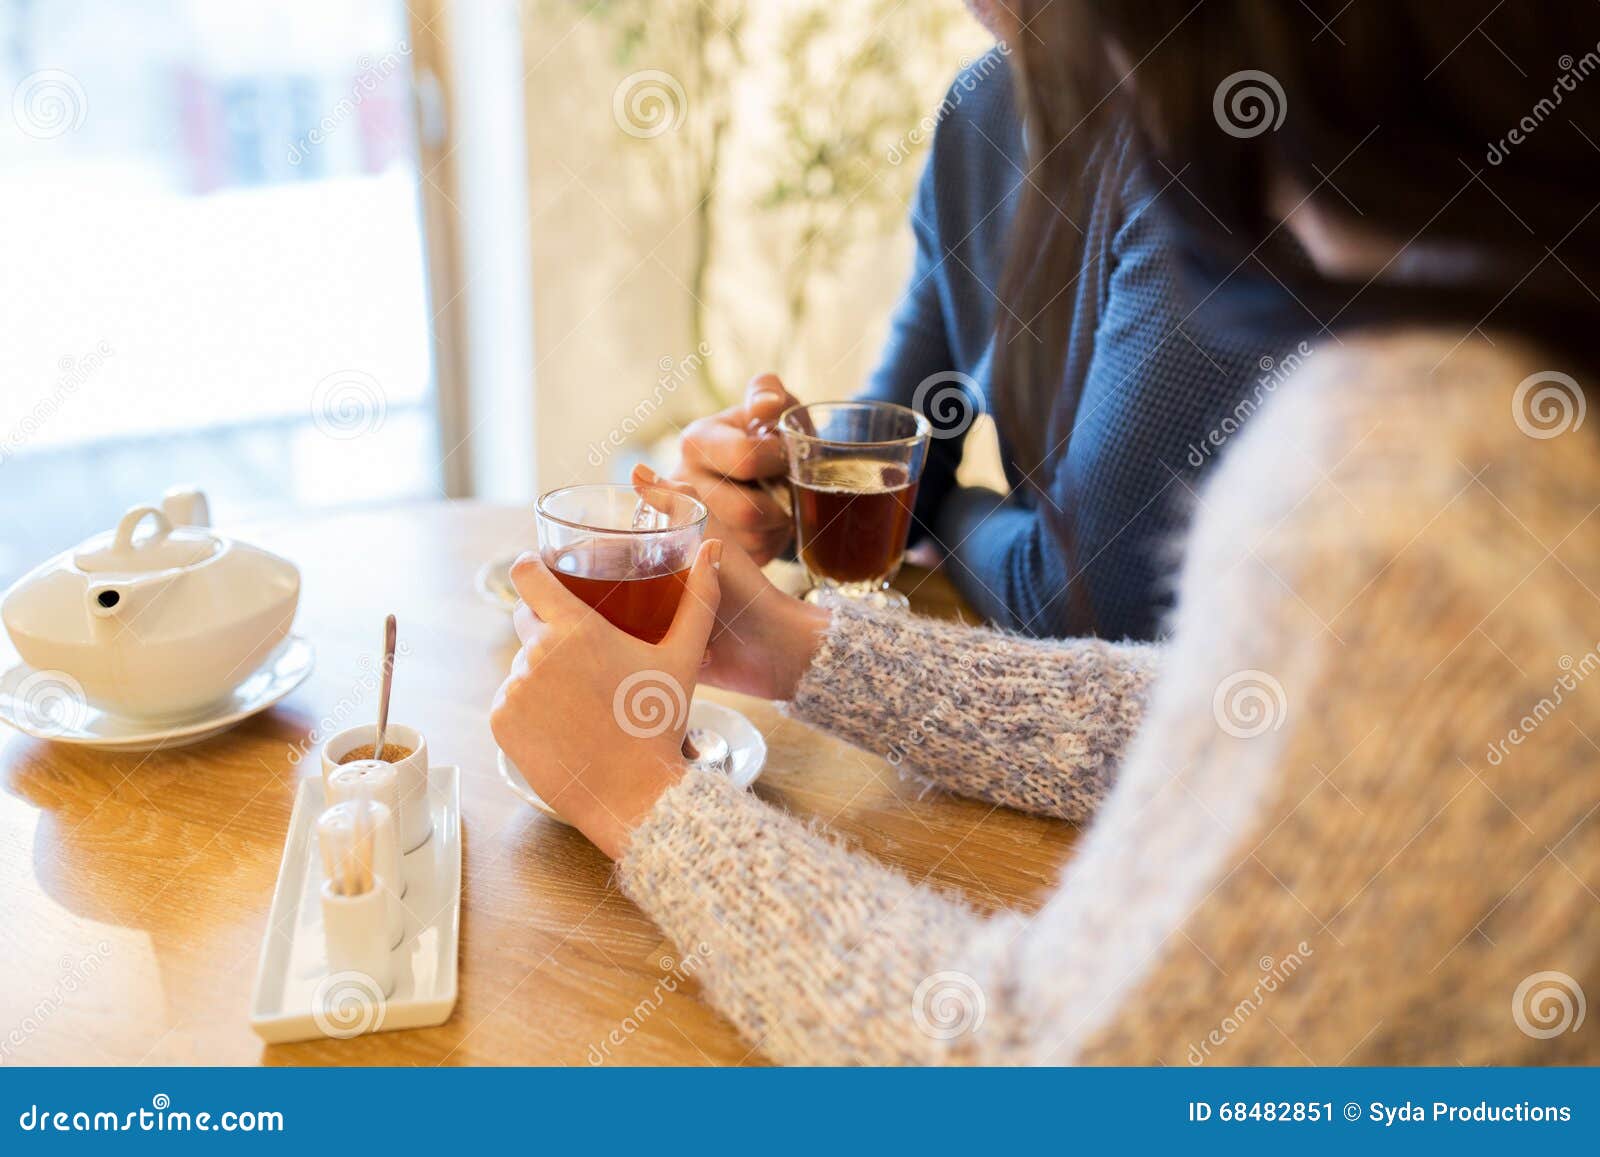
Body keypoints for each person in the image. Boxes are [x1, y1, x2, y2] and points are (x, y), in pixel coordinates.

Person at [493, 0, 1600, 1064]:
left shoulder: (1414, 465)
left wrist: (632, 797)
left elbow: (1049, 1078)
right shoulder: (1477, 368)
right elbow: (1236, 711)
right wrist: (799, 648)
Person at [672, 7, 1301, 640]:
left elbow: (1083, 601)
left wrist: (946, 514)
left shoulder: (1228, 124)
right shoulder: (983, 109)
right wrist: (779, 494)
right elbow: (902, 446)